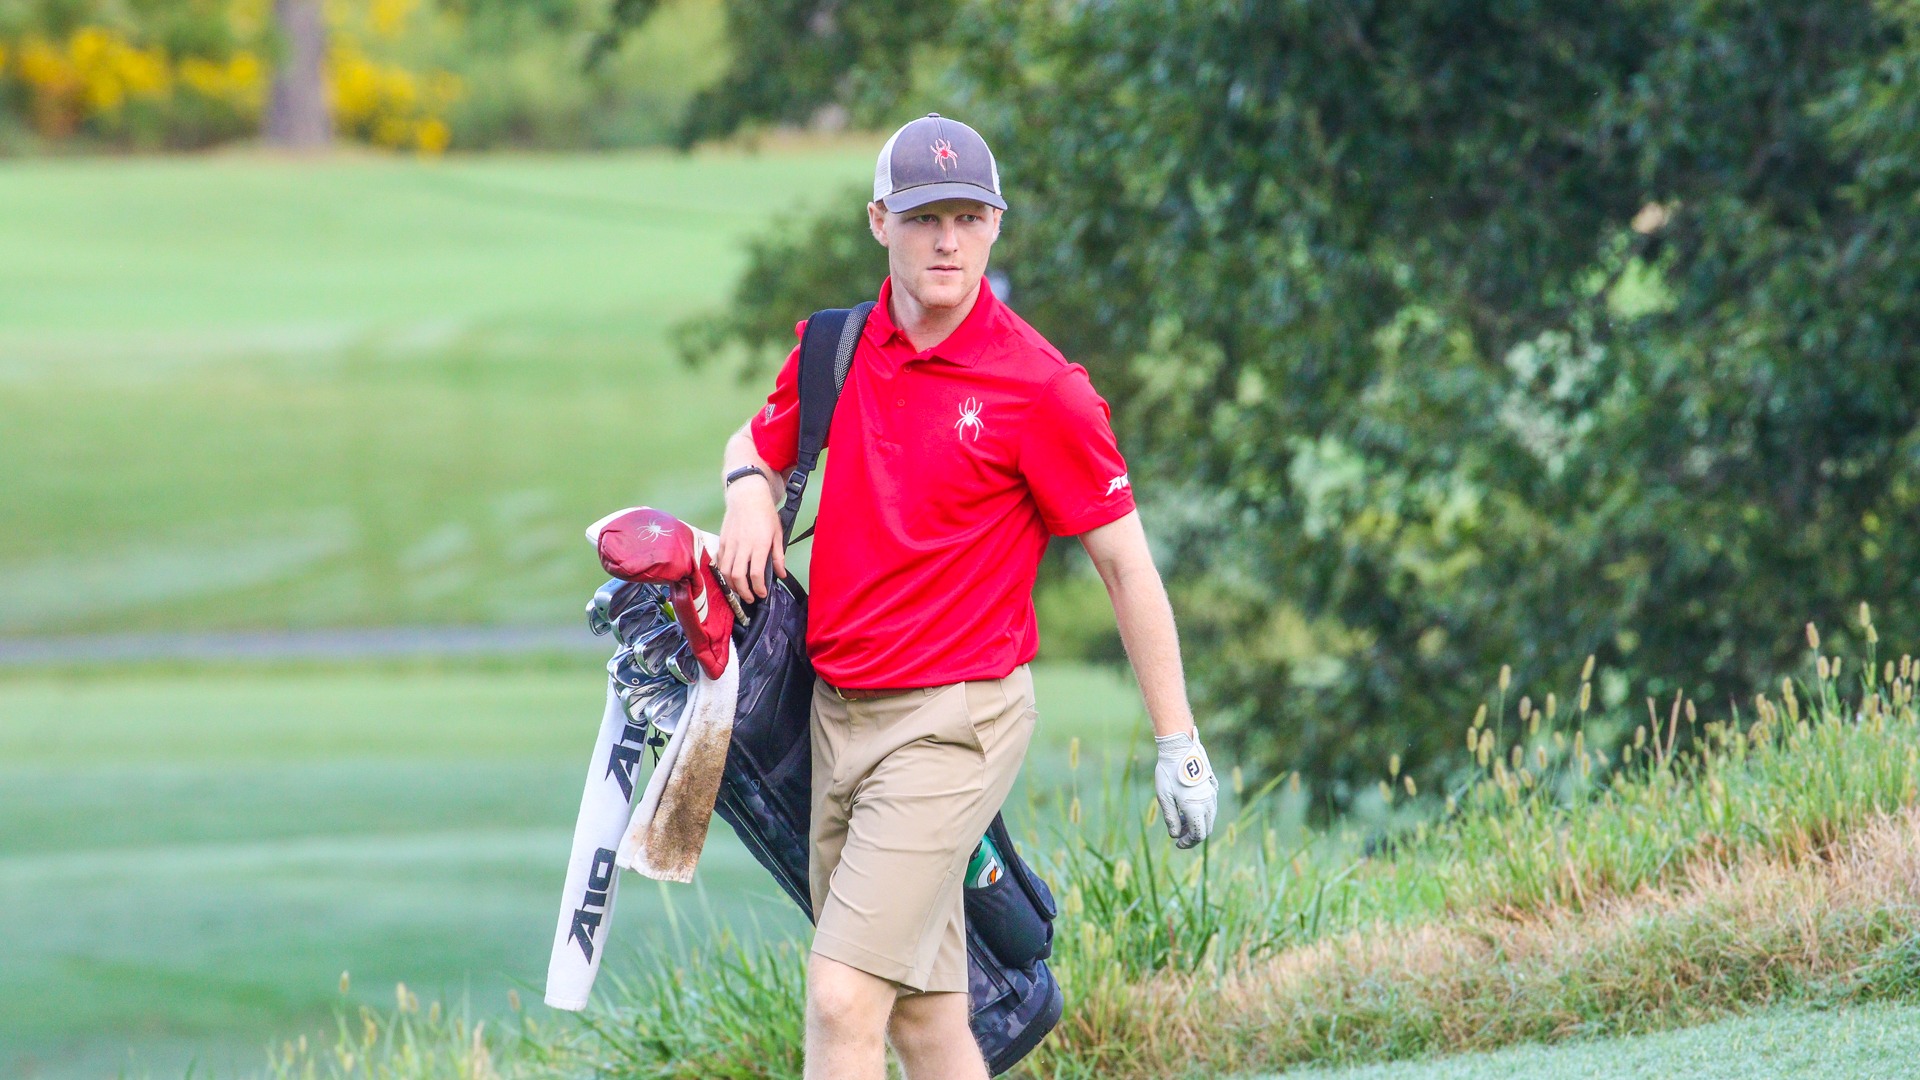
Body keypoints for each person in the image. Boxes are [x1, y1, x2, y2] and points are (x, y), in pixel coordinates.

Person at [714, 113, 1219, 1080]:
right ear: (879, 222)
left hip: (955, 725)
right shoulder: (836, 349)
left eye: (968, 217)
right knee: (929, 1018)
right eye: (924, 217)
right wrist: (747, 494)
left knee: (842, 994)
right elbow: (755, 442)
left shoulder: (1041, 387)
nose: (948, 240)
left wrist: (1177, 741)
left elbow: (1126, 566)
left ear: (995, 225)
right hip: (837, 716)